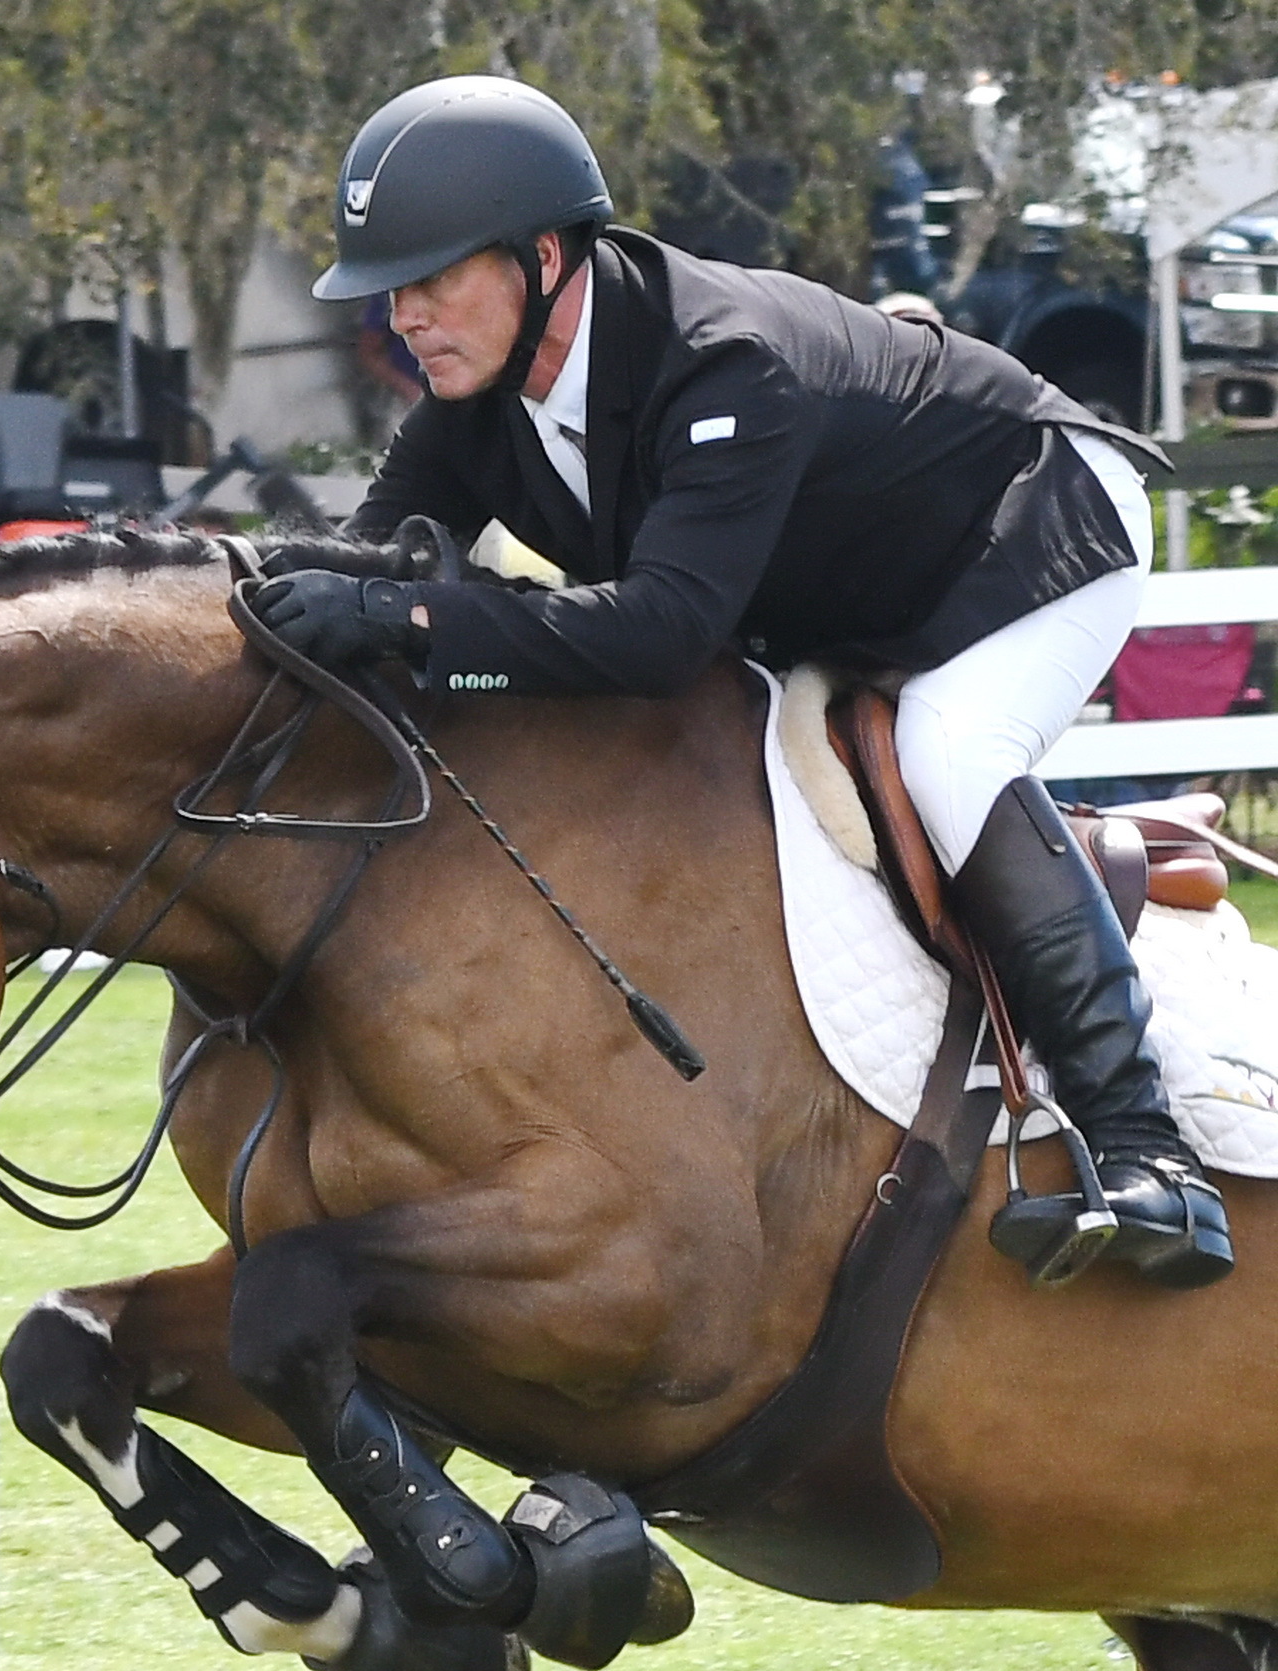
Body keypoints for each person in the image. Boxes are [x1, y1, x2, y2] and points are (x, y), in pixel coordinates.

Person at [250, 74, 1231, 1292]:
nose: (406, 317)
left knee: (946, 752)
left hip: (1032, 528)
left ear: (542, 257)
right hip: (847, 582)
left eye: (432, 278)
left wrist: (398, 613)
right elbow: (366, 561)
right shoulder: (477, 398)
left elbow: (660, 638)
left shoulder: (725, 364)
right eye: (392, 290)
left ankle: (1150, 1149)